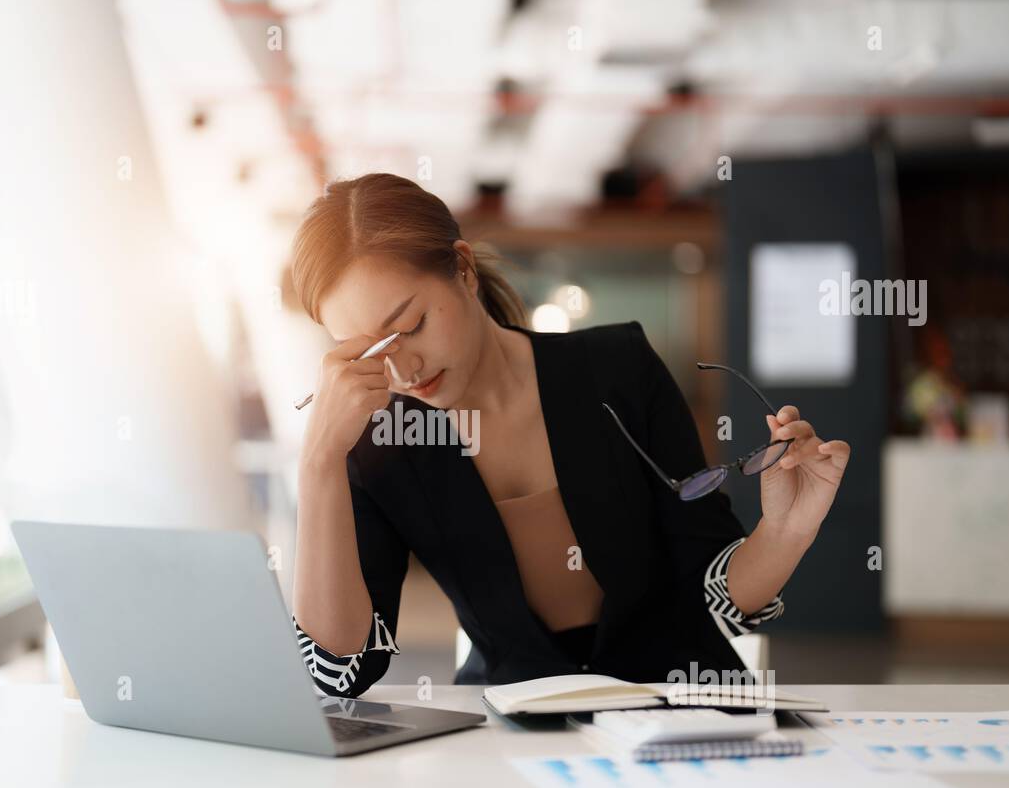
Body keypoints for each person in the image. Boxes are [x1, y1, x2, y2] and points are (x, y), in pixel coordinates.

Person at [288, 172, 850, 698]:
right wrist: (318, 464)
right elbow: (343, 672)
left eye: (409, 328)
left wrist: (786, 530)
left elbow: (711, 600)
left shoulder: (616, 369)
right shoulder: (381, 445)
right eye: (369, 355)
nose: (403, 371)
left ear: (462, 268)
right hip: (507, 738)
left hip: (682, 709)